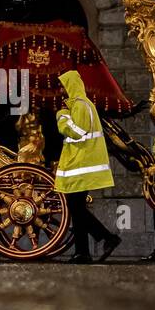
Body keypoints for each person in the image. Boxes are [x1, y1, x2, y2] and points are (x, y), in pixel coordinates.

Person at [55, 70, 121, 264]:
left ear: (70, 86)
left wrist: (61, 117)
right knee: (77, 209)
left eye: (63, 87)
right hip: (80, 164)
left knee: (77, 209)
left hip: (81, 165)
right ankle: (84, 251)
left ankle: (104, 240)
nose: (61, 92)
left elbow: (77, 132)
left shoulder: (79, 105)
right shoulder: (81, 104)